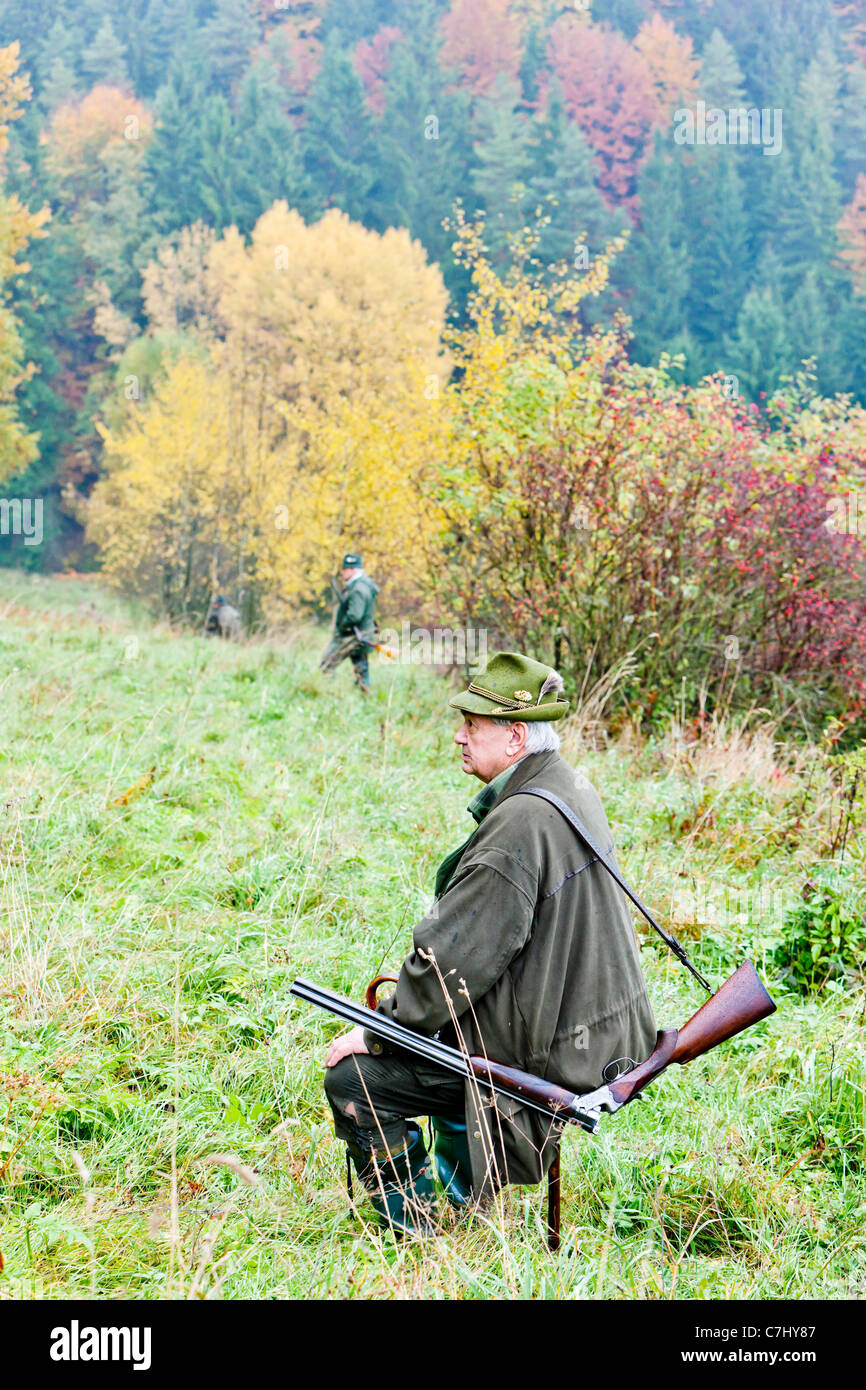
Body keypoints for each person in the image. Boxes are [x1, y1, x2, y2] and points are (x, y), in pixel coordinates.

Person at [323, 650, 657, 1235]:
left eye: (472, 726)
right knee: (435, 1037)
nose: (458, 736)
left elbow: (450, 965)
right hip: (603, 1031)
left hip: (556, 1054)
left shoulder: (519, 827)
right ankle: (462, 1189)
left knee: (353, 1080)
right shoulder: (568, 785)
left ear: (516, 737)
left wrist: (377, 1029)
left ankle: (417, 1231)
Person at [319, 553, 380, 694]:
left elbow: (354, 615)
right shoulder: (364, 585)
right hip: (362, 634)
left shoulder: (358, 589)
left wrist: (342, 626)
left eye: (345, 569)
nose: (342, 572)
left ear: (353, 570)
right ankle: (365, 695)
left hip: (352, 635)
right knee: (361, 668)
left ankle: (327, 693)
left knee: (327, 663)